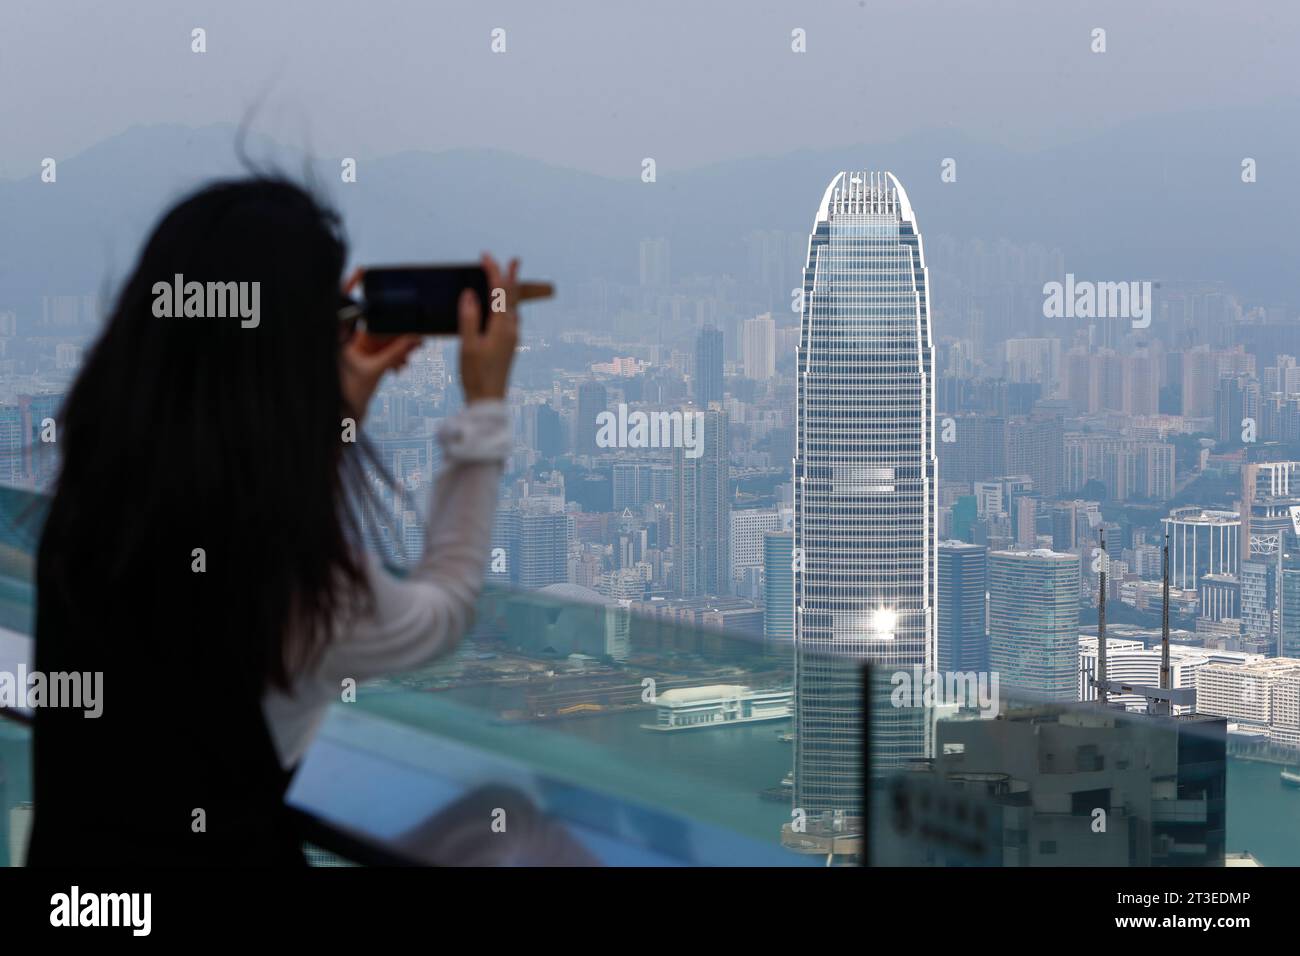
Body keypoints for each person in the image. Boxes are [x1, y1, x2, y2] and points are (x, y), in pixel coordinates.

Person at [27, 177, 522, 866]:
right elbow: (443, 608)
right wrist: (485, 407)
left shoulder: (94, 502)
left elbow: (238, 473)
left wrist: (339, 396)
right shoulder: (288, 582)